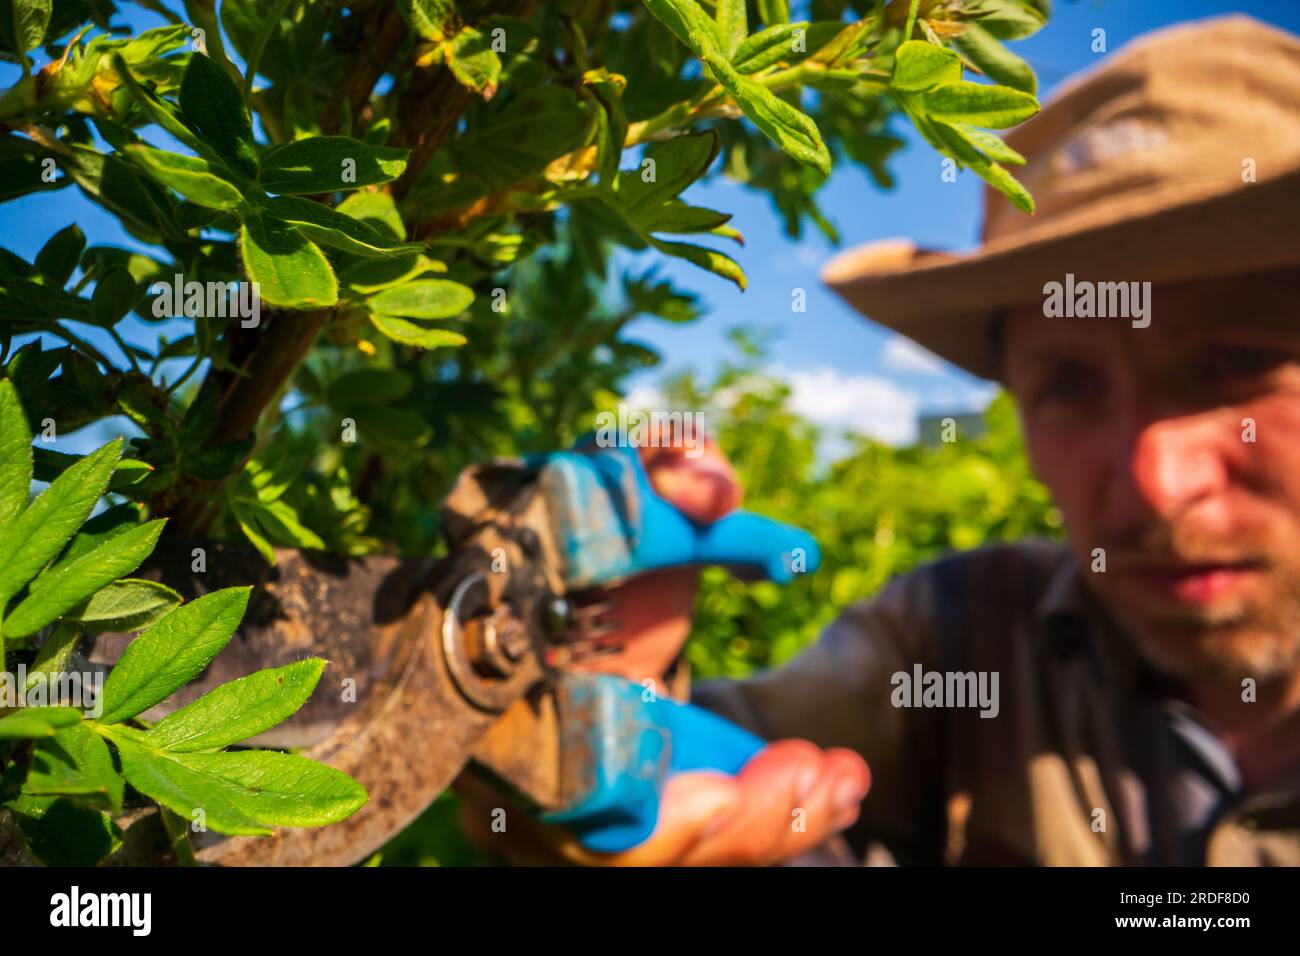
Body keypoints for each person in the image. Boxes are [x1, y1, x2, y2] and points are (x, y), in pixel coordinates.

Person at [459, 14, 1300, 865]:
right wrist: (602, 704)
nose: (1157, 483)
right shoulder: (957, 633)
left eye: (1234, 366)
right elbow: (737, 776)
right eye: (1069, 387)